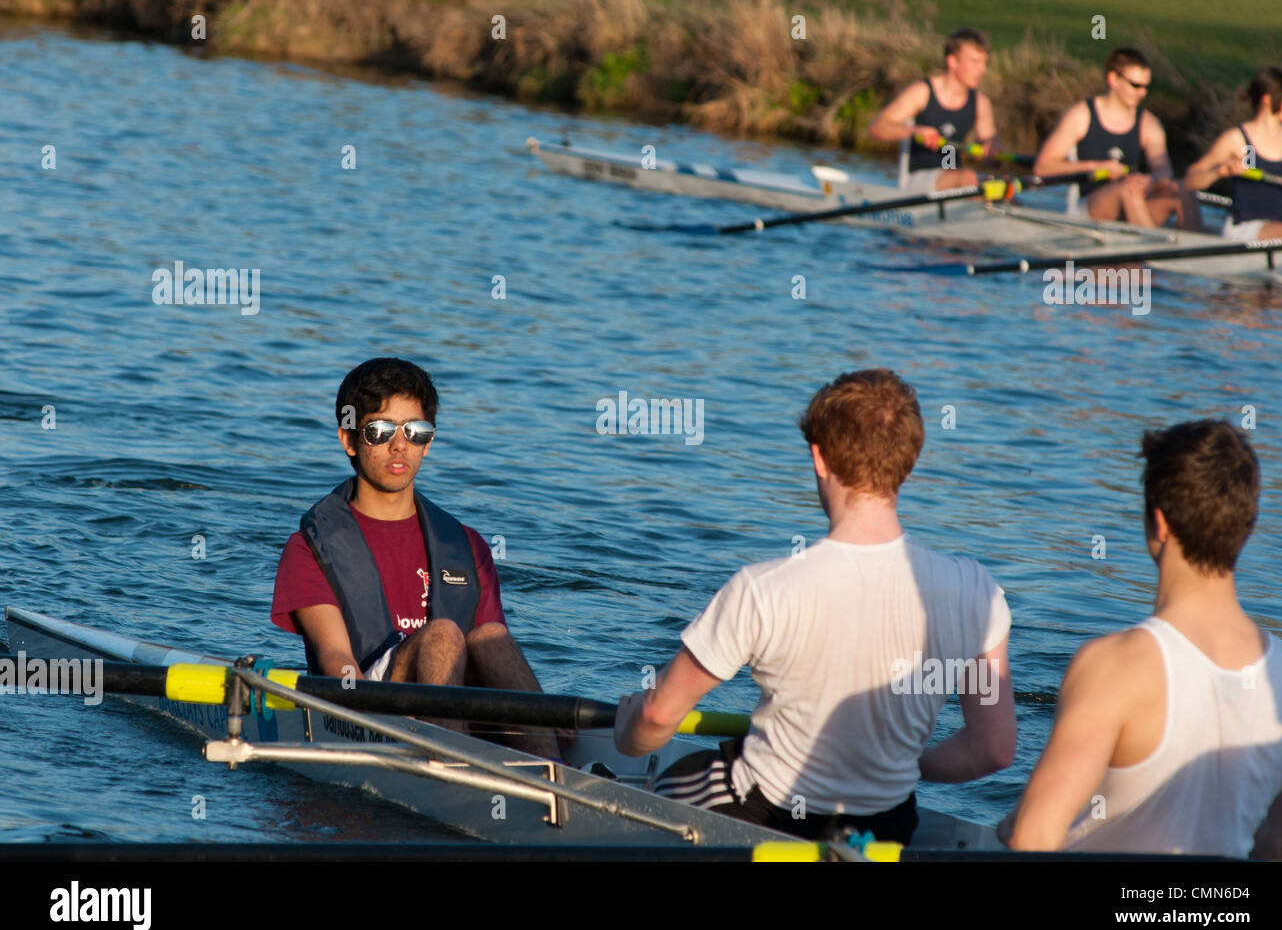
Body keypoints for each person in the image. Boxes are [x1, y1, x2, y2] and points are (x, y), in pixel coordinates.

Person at [613, 370, 1016, 843]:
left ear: (819, 459)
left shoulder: (762, 588)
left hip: (766, 813)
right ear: (907, 466)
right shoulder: (976, 590)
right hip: (887, 825)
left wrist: (627, 735)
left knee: (662, 787)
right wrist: (904, 767)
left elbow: (660, 716)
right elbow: (993, 749)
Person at [1003, 421, 1282, 857]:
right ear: (1247, 525)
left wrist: (1013, 822)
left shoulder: (1114, 665)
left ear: (1159, 523)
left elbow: (1032, 838)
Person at [270, 357, 558, 757]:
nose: (399, 445)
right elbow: (335, 657)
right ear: (349, 440)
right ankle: (451, 768)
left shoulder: (468, 545)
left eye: (416, 431)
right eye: (380, 431)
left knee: (492, 637)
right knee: (442, 634)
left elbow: (490, 656)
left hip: (458, 702)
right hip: (369, 702)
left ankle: (553, 766)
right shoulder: (307, 549)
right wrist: (352, 717)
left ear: (429, 441)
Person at [1033, 47, 1197, 228]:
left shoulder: (1148, 123)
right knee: (1128, 190)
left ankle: (1197, 253)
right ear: (1113, 79)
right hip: (1087, 206)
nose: (1142, 93)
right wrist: (1098, 167)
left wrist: (1151, 180)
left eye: (1146, 87)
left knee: (1182, 189)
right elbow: (1043, 167)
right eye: (1135, 85)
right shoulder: (1081, 115)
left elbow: (1164, 173)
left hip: (1133, 200)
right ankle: (1147, 250)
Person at [868, 28, 1002, 192]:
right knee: (968, 178)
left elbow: (992, 147)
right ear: (953, 62)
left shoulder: (981, 103)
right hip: (915, 180)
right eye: (975, 62)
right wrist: (914, 131)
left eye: (984, 62)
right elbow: (877, 127)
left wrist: (991, 151)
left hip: (953, 175)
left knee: (1002, 184)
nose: (983, 69)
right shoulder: (922, 92)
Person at [1184, 66, 1282, 240]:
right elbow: (1190, 181)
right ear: (1268, 100)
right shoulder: (1237, 139)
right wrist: (1218, 172)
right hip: (1244, 229)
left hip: (1276, 227)